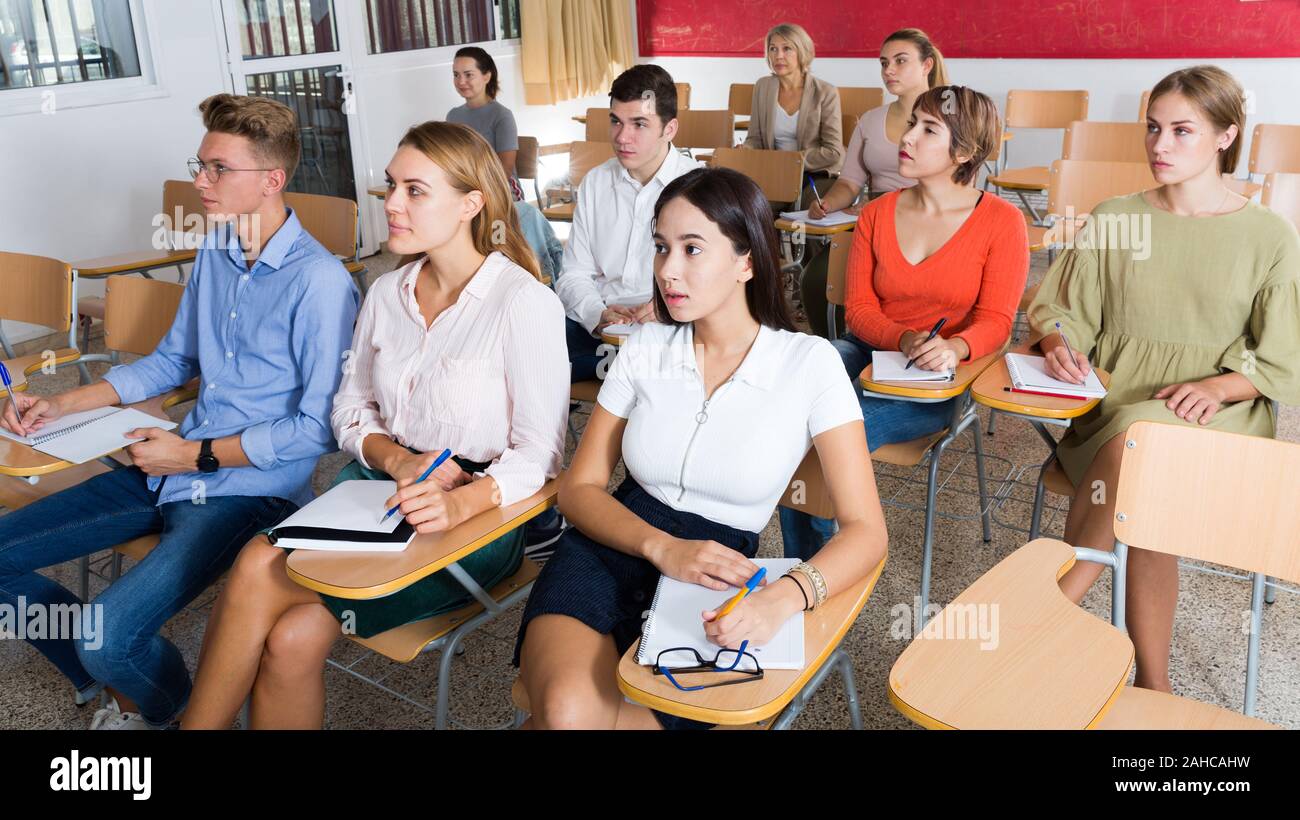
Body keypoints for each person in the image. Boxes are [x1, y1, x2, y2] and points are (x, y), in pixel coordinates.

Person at [181, 121, 568, 729]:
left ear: (472, 204)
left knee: (258, 564)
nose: (390, 203)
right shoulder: (387, 292)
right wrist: (395, 459)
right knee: (291, 640)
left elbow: (542, 455)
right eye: (391, 186)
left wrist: (464, 503)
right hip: (376, 489)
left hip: (476, 519)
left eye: (415, 190)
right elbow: (349, 409)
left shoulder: (523, 304)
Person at [0, 93, 359, 729]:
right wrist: (58, 405)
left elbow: (320, 428)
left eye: (219, 168)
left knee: (106, 634)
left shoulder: (320, 282)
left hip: (247, 492)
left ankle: (160, 705)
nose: (200, 180)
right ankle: (116, 683)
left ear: (271, 180)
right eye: (201, 164)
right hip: (167, 466)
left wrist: (190, 454)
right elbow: (171, 364)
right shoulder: (215, 254)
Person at [516, 167, 887, 730]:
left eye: (693, 249)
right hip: (610, 542)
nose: (668, 270)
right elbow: (578, 489)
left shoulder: (809, 364)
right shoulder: (643, 349)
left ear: (747, 261)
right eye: (661, 247)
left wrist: (785, 598)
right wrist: (661, 546)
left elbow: (868, 531)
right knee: (568, 714)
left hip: (717, 573)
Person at [1027, 65, 1300, 692]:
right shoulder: (1117, 216)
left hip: (1219, 415)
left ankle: (1049, 609)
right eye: (1153, 128)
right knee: (1145, 491)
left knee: (1145, 450)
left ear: (1226, 136)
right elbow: (1062, 308)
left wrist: (1220, 386)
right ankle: (1154, 686)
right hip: (1121, 403)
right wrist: (1058, 342)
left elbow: (1283, 356)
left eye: (1182, 130)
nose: (1160, 145)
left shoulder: (1269, 236)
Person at [780, 85, 1028, 560]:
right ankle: (802, 563)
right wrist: (904, 336)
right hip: (871, 351)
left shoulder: (1002, 221)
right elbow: (860, 312)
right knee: (811, 370)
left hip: (936, 380)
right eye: (911, 122)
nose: (906, 136)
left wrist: (954, 348)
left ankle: (820, 571)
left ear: (965, 151)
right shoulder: (876, 213)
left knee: (835, 426)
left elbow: (997, 321)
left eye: (927, 129)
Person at [554, 64, 702, 383]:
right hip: (604, 329)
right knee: (525, 349)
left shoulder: (700, 188)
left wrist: (666, 308)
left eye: (639, 124)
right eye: (616, 122)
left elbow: (720, 285)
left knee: (653, 371)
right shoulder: (596, 182)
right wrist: (598, 315)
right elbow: (574, 275)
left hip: (673, 331)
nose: (622, 137)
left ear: (669, 129)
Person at [801, 28, 948, 338]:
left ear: (927, 65)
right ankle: (835, 349)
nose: (888, 70)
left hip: (930, 221)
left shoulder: (952, 118)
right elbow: (849, 183)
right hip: (874, 219)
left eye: (900, 61)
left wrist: (887, 202)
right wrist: (829, 203)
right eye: (883, 63)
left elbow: (957, 186)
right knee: (817, 277)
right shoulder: (869, 120)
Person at [743, 22, 844, 193]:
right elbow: (755, 139)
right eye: (773, 49)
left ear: (802, 52)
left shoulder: (825, 92)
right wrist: (746, 150)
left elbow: (833, 151)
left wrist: (790, 161)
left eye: (787, 48)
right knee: (750, 207)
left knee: (805, 211)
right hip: (774, 172)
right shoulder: (763, 86)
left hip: (815, 173)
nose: (778, 56)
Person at [446, 46, 522, 199]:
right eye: (456, 75)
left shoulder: (502, 115)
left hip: (500, 193)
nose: (461, 81)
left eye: (468, 75)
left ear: (486, 76)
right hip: (467, 192)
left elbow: (504, 172)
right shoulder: (453, 116)